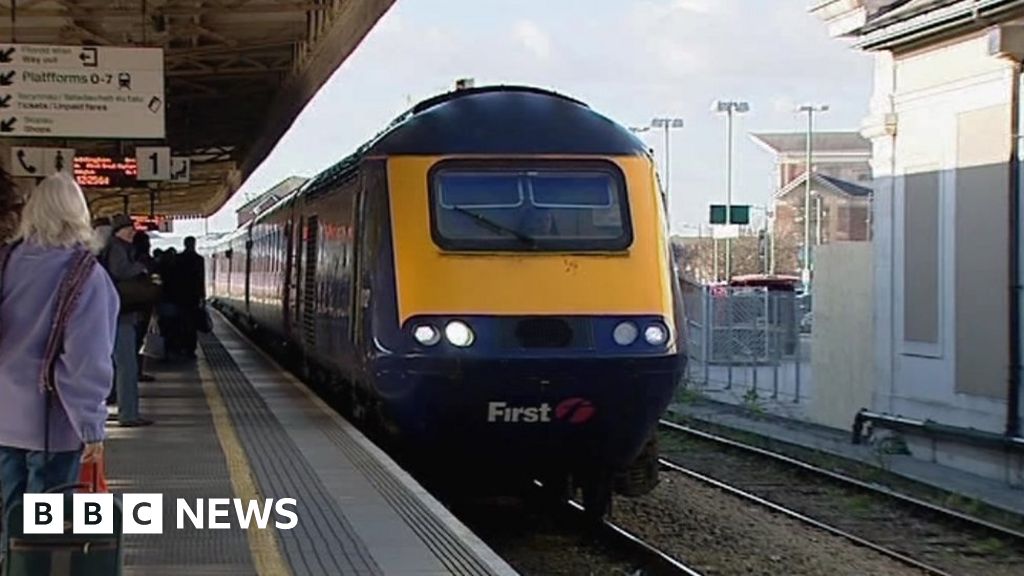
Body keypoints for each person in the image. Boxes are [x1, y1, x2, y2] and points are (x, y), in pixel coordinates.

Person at [0, 173, 117, 513]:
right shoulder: (86, 275)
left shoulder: (6, 262)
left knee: (11, 518)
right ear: (79, 215)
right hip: (51, 425)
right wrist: (91, 427)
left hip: (4, 421)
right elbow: (85, 359)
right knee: (43, 527)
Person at [99, 215, 153, 427]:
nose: (132, 231)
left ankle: (119, 408)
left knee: (116, 364)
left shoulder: (114, 247)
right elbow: (121, 271)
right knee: (127, 366)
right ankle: (128, 414)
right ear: (118, 231)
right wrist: (141, 267)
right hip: (120, 313)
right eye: (128, 228)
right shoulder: (117, 248)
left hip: (114, 312)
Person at [174, 237, 206, 358]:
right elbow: (201, 279)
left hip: (180, 296)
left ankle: (182, 346)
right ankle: (191, 348)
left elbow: (175, 278)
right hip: (193, 296)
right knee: (193, 323)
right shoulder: (199, 259)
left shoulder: (178, 258)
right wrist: (202, 296)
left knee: (181, 322)